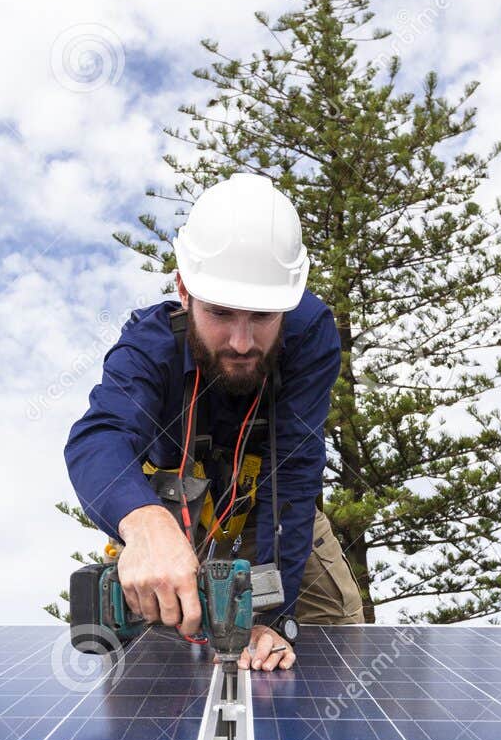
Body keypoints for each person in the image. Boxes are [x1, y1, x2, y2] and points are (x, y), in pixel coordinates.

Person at [65, 173, 364, 672]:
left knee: (333, 658)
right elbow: (100, 437)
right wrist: (145, 526)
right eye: (222, 313)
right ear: (184, 290)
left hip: (278, 521)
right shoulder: (149, 348)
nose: (243, 342)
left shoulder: (310, 335)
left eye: (263, 316)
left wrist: (274, 613)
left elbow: (292, 473)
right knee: (156, 680)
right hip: (175, 530)